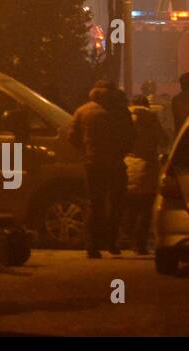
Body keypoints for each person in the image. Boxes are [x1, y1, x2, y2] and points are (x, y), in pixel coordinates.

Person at [68, 80, 135, 258]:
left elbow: (73, 137)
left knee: (94, 203)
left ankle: (92, 245)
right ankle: (112, 242)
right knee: (116, 204)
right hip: (116, 163)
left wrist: (86, 149)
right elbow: (130, 137)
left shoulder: (82, 111)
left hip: (93, 163)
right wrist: (121, 151)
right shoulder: (121, 111)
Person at [123, 94, 167, 255]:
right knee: (145, 206)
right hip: (148, 166)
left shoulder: (124, 119)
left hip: (127, 165)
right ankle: (140, 243)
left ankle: (127, 236)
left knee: (130, 205)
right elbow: (164, 140)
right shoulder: (152, 120)